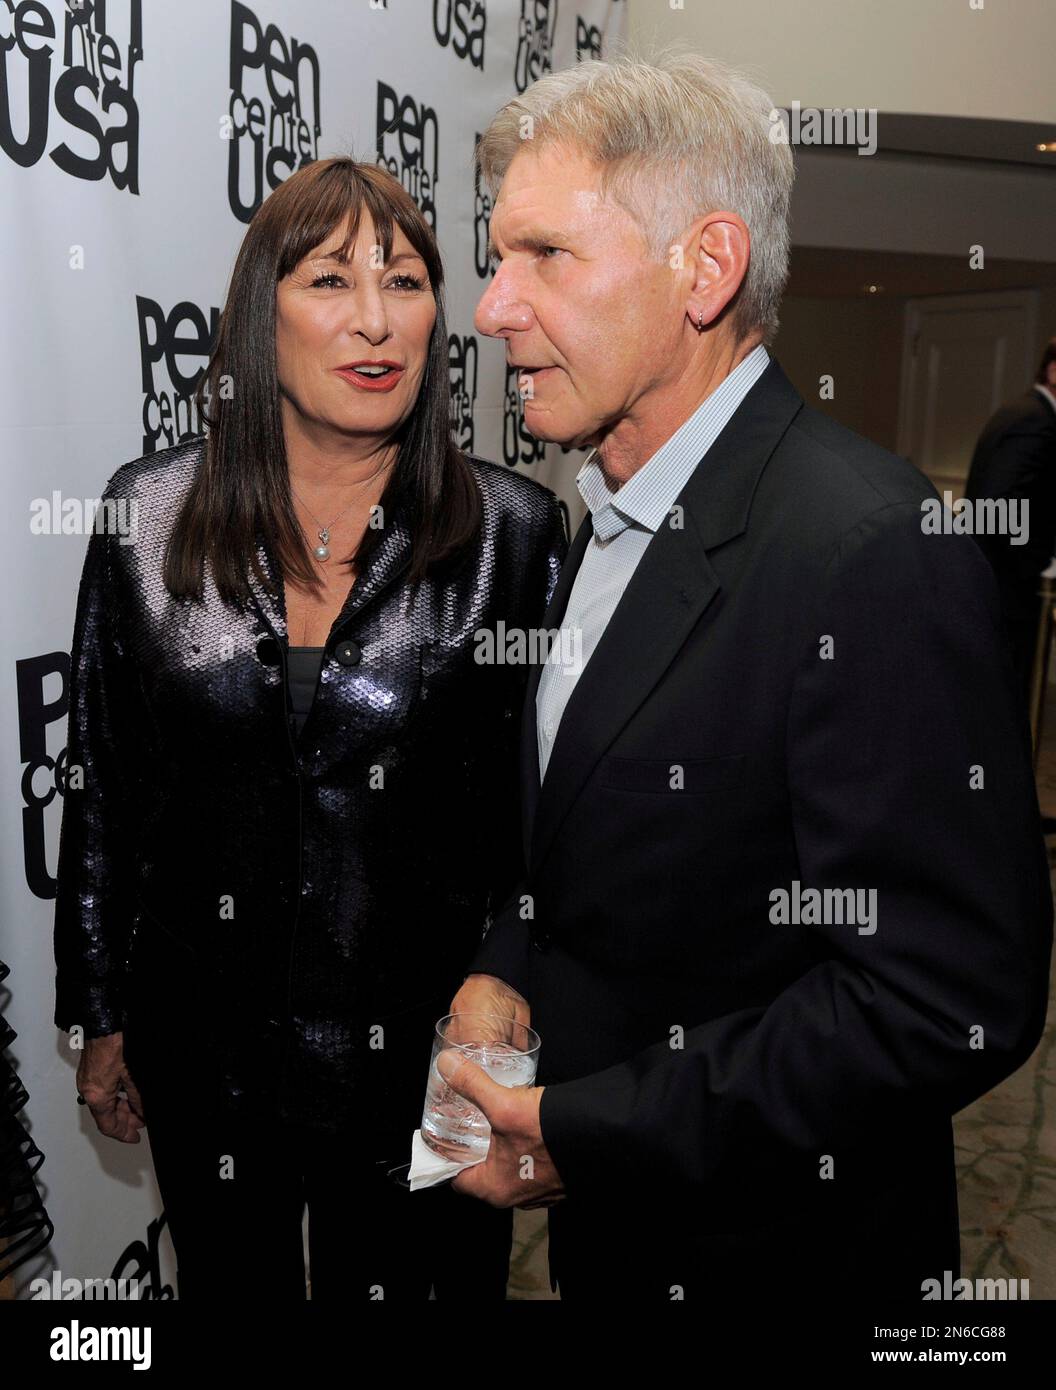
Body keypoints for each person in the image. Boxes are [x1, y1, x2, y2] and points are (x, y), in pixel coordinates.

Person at [442, 50, 1054, 1301]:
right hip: (623, 1240)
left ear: (705, 269)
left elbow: (947, 998)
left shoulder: (866, 547)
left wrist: (595, 1125)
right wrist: (509, 960)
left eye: (545, 257)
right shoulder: (600, 512)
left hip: (784, 1261)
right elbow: (590, 832)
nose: (491, 309)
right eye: (498, 258)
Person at [53, 156, 567, 1301]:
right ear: (258, 315)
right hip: (205, 1046)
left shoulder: (516, 535)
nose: (376, 320)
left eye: (407, 280)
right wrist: (98, 1011)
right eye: (330, 280)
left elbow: (546, 826)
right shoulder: (145, 518)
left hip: (429, 1059)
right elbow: (107, 787)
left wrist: (512, 998)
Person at [964, 337, 1056, 703]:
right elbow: (998, 503)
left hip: (996, 578)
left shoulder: (1021, 411)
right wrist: (1038, 565)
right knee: (1008, 692)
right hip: (1009, 585)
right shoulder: (1036, 420)